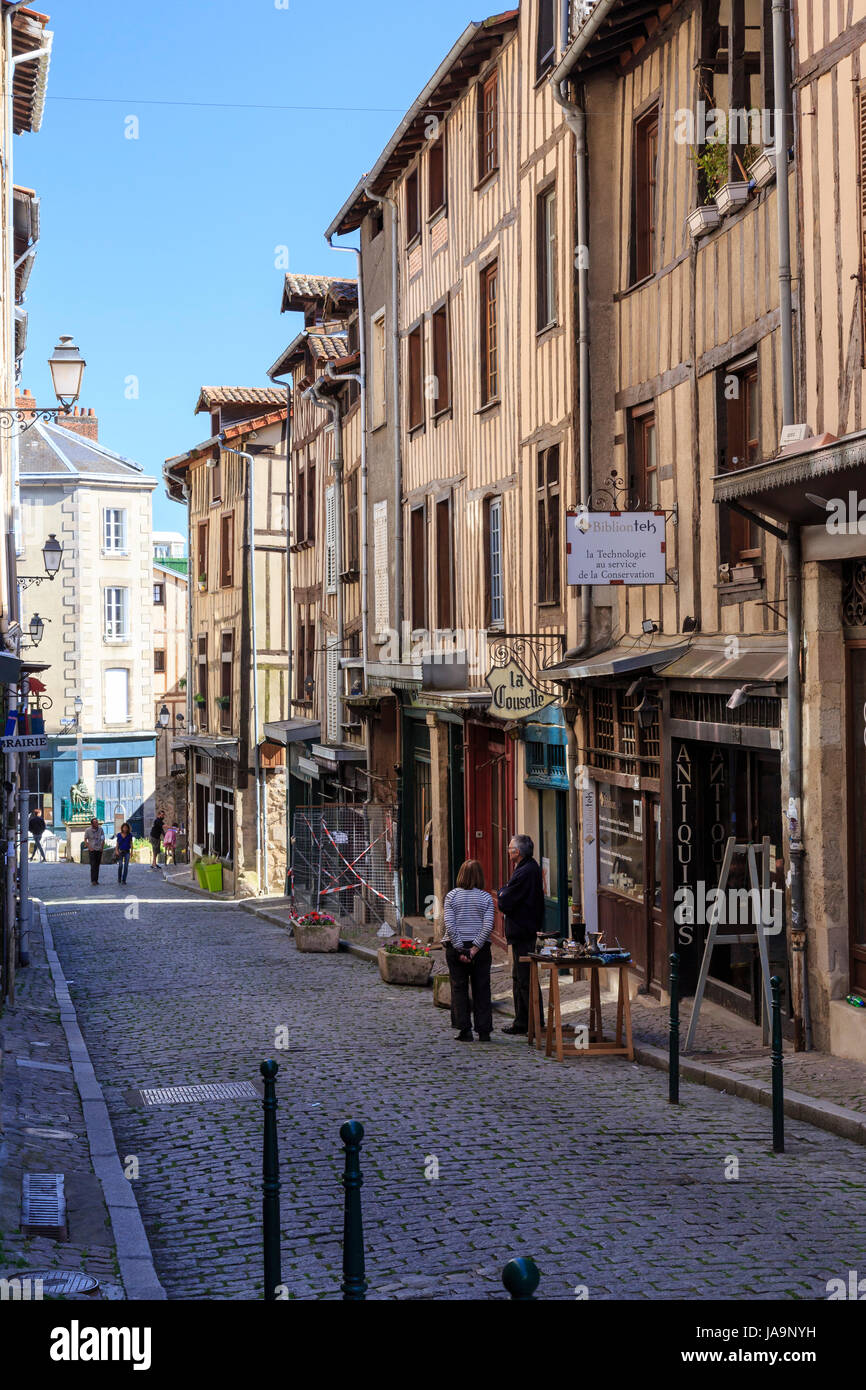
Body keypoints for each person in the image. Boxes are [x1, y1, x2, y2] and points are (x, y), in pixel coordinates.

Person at [497, 833, 545, 1036]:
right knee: (519, 977)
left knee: (525, 978)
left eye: (510, 849)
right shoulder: (525, 868)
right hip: (521, 931)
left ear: (517, 852)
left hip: (523, 931)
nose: (508, 851)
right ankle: (523, 1021)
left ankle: (532, 1022)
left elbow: (506, 900)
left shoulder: (526, 871)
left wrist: (502, 892)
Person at [443, 860, 495, 1042]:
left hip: (456, 948)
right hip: (480, 950)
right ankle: (484, 1030)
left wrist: (460, 949)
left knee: (459, 987)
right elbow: (488, 926)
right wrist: (474, 949)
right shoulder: (486, 898)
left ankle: (464, 1029)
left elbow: (450, 924)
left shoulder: (451, 897)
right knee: (482, 988)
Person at [83, 817, 105, 885]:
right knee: (93, 865)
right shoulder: (88, 830)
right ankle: (93, 880)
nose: (97, 823)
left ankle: (96, 879)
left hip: (99, 849)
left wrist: (102, 847)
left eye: (97, 822)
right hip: (92, 849)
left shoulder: (100, 829)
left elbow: (103, 839)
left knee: (97, 865)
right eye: (95, 822)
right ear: (92, 824)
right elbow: (85, 840)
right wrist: (89, 847)